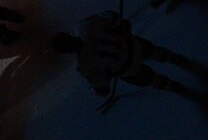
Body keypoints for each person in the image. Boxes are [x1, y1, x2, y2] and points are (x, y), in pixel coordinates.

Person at [53, 11, 199, 97]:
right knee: (155, 52)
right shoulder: (84, 26)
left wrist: (99, 87)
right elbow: (112, 17)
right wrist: (121, 26)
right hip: (132, 45)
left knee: (150, 79)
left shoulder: (84, 66)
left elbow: (102, 87)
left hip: (127, 68)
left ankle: (173, 86)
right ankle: (176, 59)